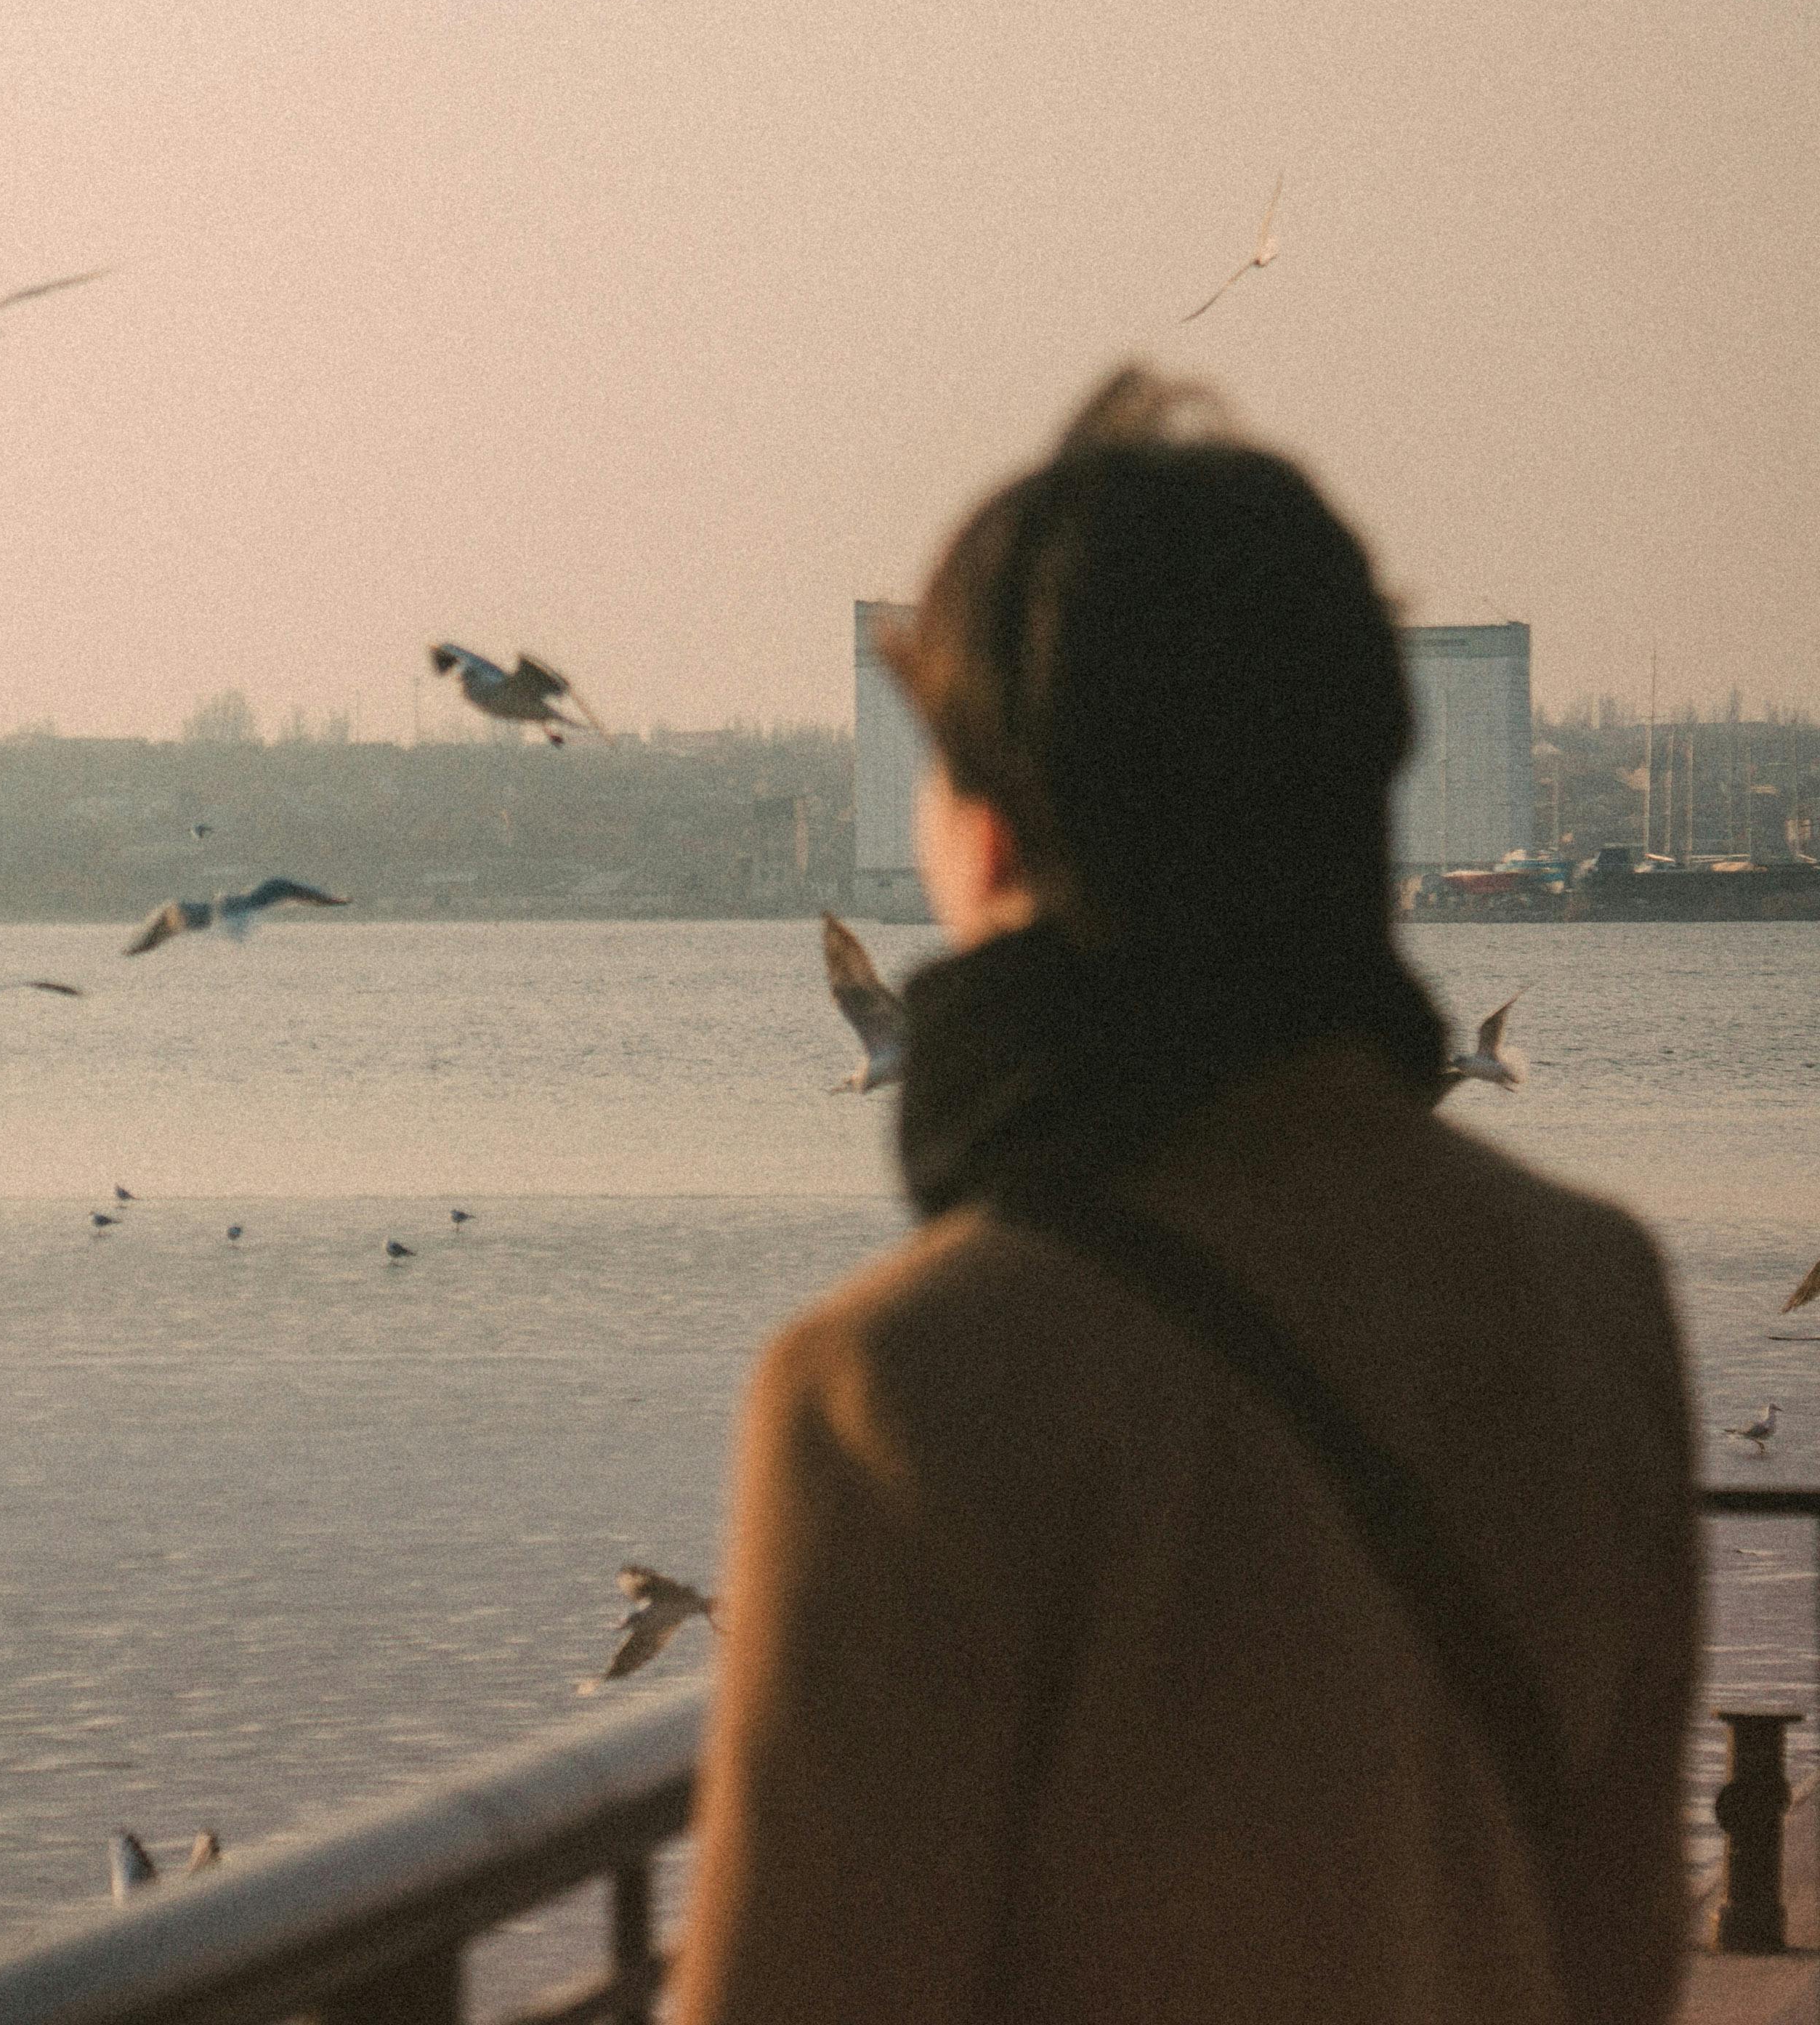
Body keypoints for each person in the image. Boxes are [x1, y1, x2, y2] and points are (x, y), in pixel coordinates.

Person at [676, 369, 1698, 2024]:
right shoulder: (1591, 1298)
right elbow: (1618, 1961)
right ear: (1352, 807)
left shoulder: (901, 1390)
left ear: (991, 833)